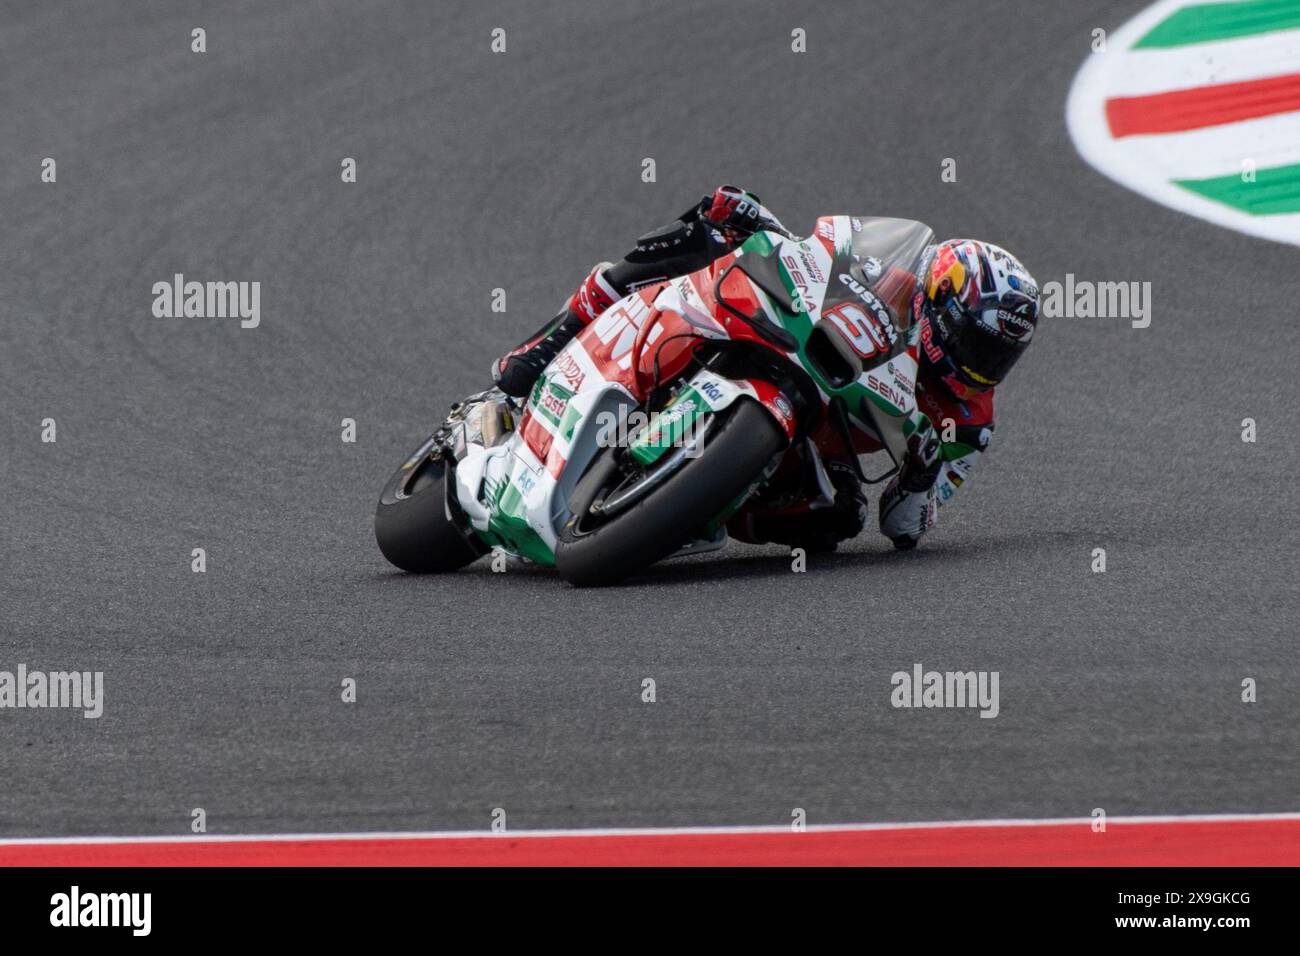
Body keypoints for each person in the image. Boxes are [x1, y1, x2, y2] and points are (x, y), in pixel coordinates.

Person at [492, 187, 1041, 551]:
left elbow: (904, 527)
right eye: (975, 342)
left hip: (815, 443)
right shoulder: (893, 279)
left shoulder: (968, 424)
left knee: (839, 516)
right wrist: (758, 222)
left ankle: (695, 510)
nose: (981, 365)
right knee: (707, 230)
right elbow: (822, 252)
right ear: (937, 303)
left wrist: (920, 476)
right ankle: (546, 345)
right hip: (786, 346)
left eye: (999, 357)